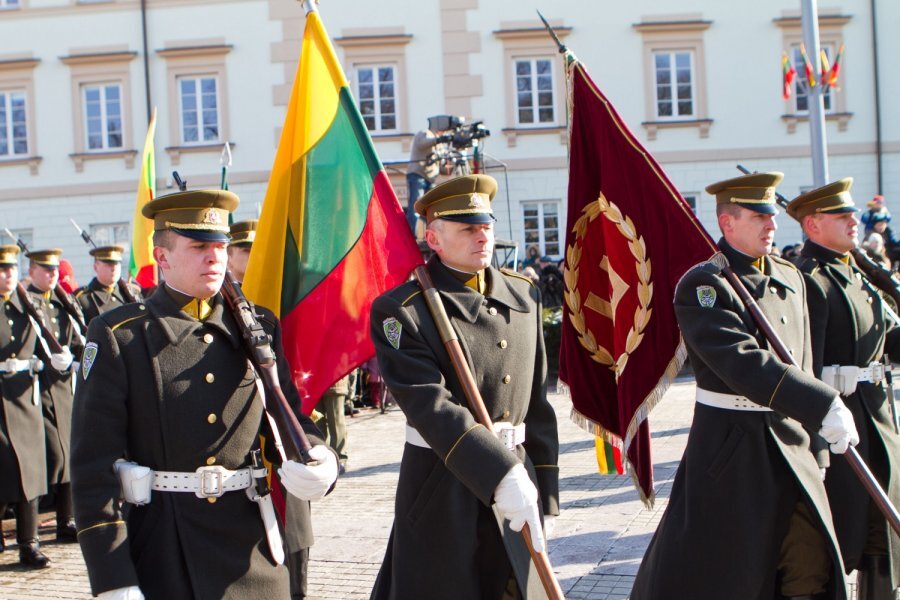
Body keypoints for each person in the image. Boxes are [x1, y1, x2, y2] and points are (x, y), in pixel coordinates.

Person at [70, 189, 339, 600]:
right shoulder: (120, 335)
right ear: (162, 257)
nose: (215, 257)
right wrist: (112, 576)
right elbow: (93, 465)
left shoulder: (256, 324)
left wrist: (319, 455)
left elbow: (289, 413)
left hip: (253, 549)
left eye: (220, 245)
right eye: (198, 246)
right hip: (166, 548)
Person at [631, 172, 856, 600]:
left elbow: (804, 361)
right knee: (733, 573)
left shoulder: (791, 278)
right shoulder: (704, 285)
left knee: (809, 567)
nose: (772, 225)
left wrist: (818, 447)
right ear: (728, 223)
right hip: (734, 452)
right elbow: (741, 362)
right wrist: (821, 403)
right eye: (759, 217)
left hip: (793, 444)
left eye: (772, 216)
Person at [369, 174, 559, 599]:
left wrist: (545, 491)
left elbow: (537, 405)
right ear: (434, 239)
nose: (482, 236)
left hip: (518, 473)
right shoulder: (402, 311)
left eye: (486, 225)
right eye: (468, 228)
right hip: (443, 485)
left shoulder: (523, 294)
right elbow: (431, 406)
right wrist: (500, 472)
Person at [787, 178, 900, 599]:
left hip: (877, 420)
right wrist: (815, 442)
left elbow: (886, 339)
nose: (855, 220)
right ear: (813, 225)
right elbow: (804, 363)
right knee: (838, 537)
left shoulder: (860, 273)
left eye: (853, 212)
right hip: (838, 428)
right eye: (842, 214)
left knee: (882, 533)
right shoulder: (808, 279)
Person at [26, 248, 83, 545]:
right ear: (32, 271)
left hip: (65, 387)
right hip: (39, 387)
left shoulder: (61, 303)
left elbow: (75, 339)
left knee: (69, 453)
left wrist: (74, 358)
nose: (52, 275)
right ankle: (30, 532)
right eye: (45, 270)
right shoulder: (27, 303)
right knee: (52, 456)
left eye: (54, 271)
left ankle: (67, 521)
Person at [0, 245, 52, 567]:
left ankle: (29, 543)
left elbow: (48, 347)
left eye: (11, 269)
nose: (7, 275)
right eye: (2, 270)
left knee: (30, 471)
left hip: (25, 397)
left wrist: (56, 362)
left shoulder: (29, 307)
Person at [75, 245, 143, 323]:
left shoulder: (132, 294)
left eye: (117, 264)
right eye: (109, 264)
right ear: (95, 267)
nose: (114, 268)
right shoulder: (82, 298)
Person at [405, 121, 448, 236]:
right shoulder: (425, 133)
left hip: (430, 179)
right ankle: (410, 236)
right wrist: (439, 140)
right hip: (418, 174)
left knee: (431, 210)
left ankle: (434, 234)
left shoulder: (439, 144)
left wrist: (450, 164)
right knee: (415, 205)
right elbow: (422, 144)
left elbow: (443, 169)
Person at [315, 375, 350, 473]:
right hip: (315, 382)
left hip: (334, 381)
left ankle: (340, 458)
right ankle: (321, 457)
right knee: (317, 424)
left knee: (336, 423)